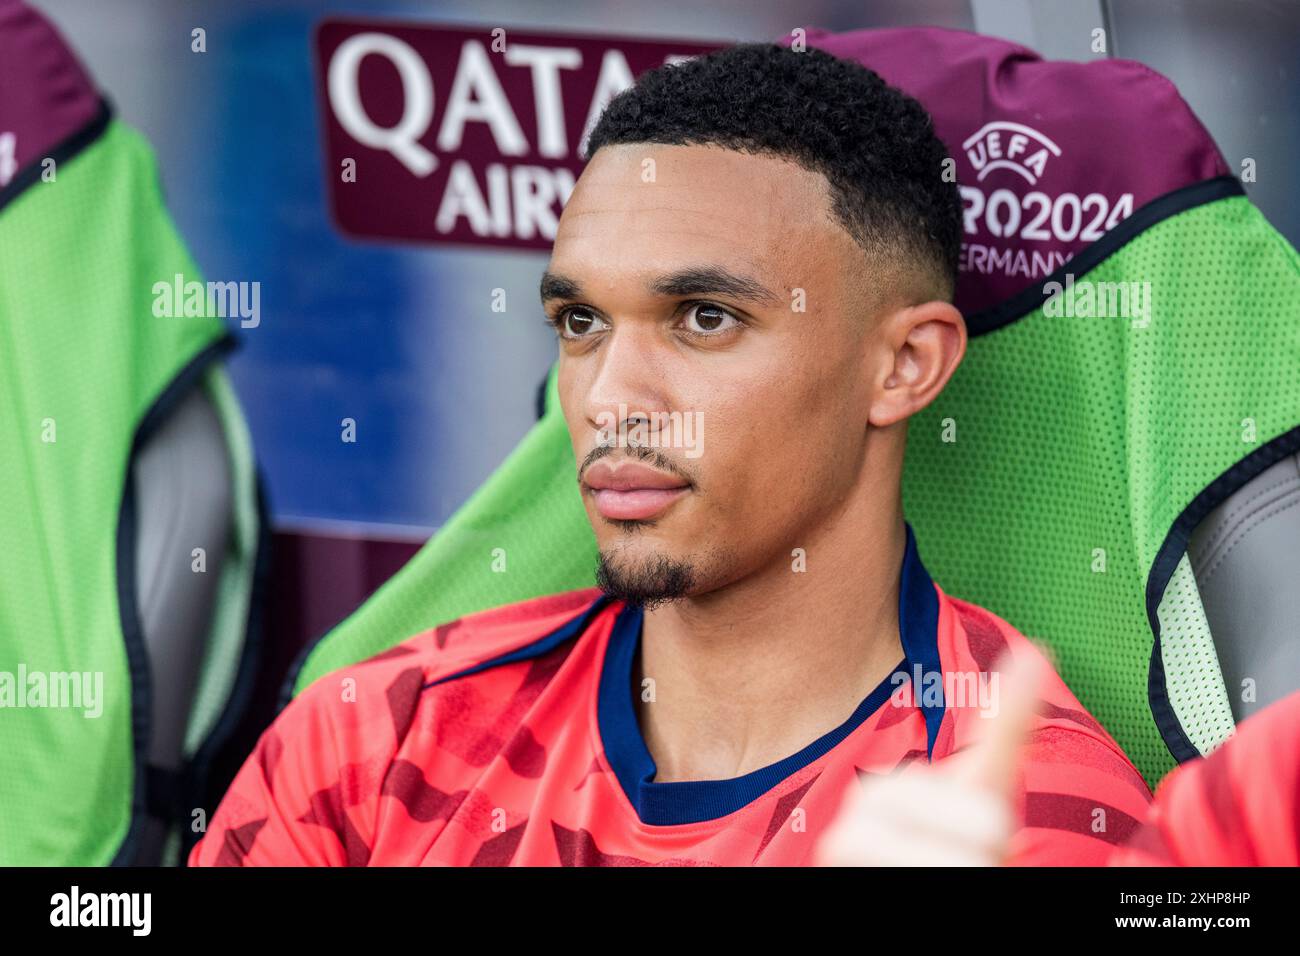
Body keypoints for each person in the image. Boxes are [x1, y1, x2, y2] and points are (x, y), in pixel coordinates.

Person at [191, 42, 1150, 867]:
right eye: (579, 322)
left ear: (903, 364)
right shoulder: (376, 736)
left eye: (703, 319)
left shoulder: (1018, 820)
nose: (609, 399)